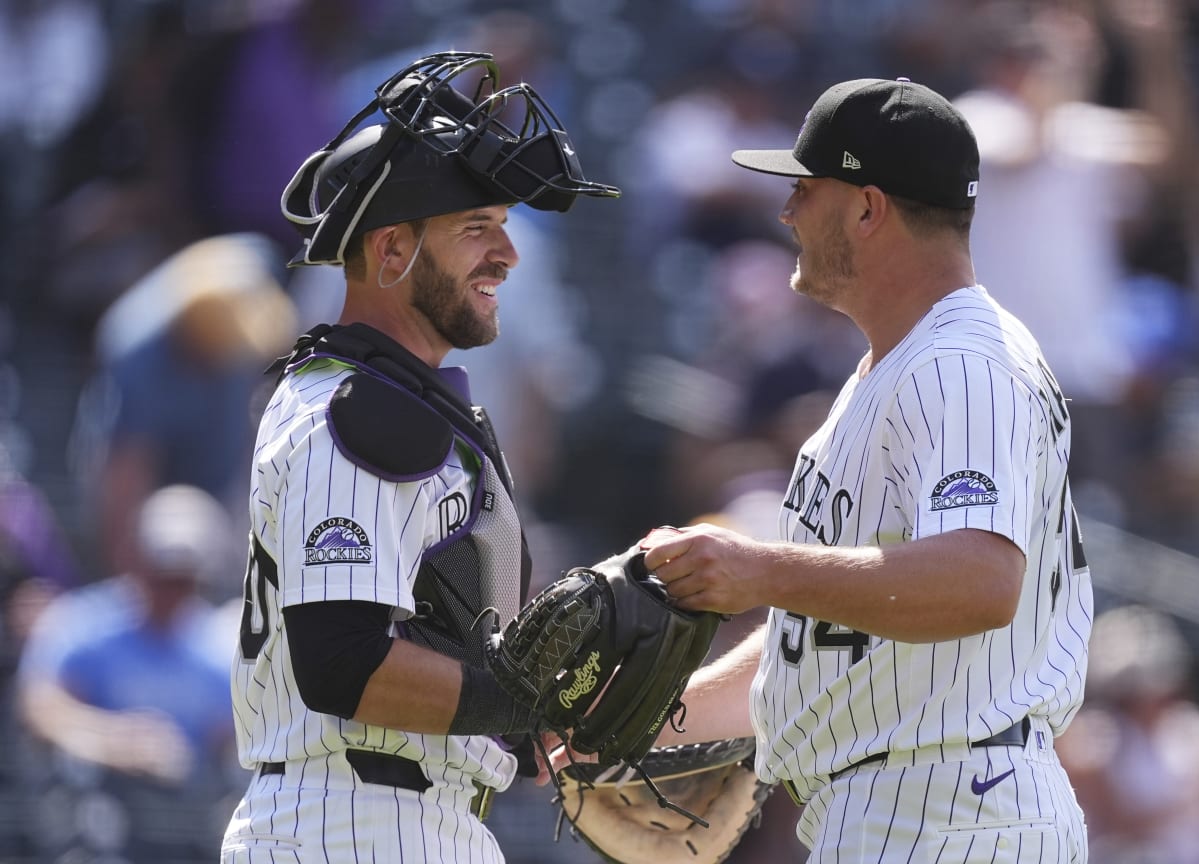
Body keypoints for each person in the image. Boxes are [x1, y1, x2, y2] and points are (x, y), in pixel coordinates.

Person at [635, 77, 1094, 862]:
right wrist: (654, 718)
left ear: (867, 208)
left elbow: (982, 578)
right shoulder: (894, 370)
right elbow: (822, 644)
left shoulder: (961, 363)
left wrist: (761, 570)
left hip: (950, 808)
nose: (785, 213)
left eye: (805, 189)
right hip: (911, 806)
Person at [219, 51, 619, 864]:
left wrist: (530, 722)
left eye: (503, 228)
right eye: (478, 228)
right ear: (392, 250)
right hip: (353, 823)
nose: (506, 257)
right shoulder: (359, 411)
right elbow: (343, 661)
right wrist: (525, 700)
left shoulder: (395, 399)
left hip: (402, 818)